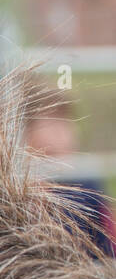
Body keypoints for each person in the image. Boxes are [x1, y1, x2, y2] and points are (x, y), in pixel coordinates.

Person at [25, 85, 114, 257]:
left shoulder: (86, 183)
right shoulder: (17, 188)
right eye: (51, 123)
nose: (63, 135)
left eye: (66, 122)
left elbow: (109, 246)